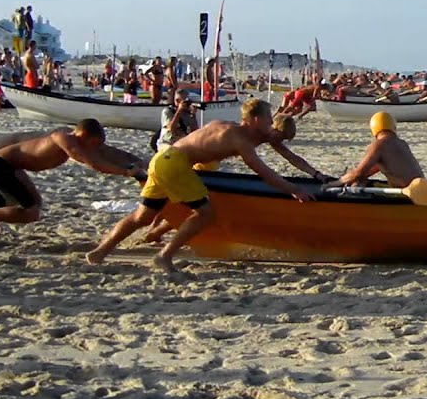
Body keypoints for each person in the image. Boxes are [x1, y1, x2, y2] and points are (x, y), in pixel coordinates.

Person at [87, 100, 331, 273]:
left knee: (142, 216)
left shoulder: (232, 128)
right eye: (268, 117)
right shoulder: (239, 139)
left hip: (163, 159)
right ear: (256, 120)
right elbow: (265, 173)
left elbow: (289, 156)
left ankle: (99, 252)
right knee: (205, 213)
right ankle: (164, 256)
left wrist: (317, 175)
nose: (271, 121)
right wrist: (294, 190)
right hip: (175, 165)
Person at [0, 120, 145, 246]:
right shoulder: (64, 139)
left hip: (6, 166)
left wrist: (135, 163)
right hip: (0, 166)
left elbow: (104, 153)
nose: (94, 148)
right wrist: (127, 172)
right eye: (94, 144)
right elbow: (93, 163)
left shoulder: (76, 140)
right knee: (31, 211)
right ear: (83, 135)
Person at [328, 112, 424, 189]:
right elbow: (371, 170)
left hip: (408, 193)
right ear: (393, 127)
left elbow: (358, 173)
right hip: (421, 187)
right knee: (359, 181)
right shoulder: (402, 143)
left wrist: (335, 183)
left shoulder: (379, 144)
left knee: (357, 184)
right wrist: (351, 178)